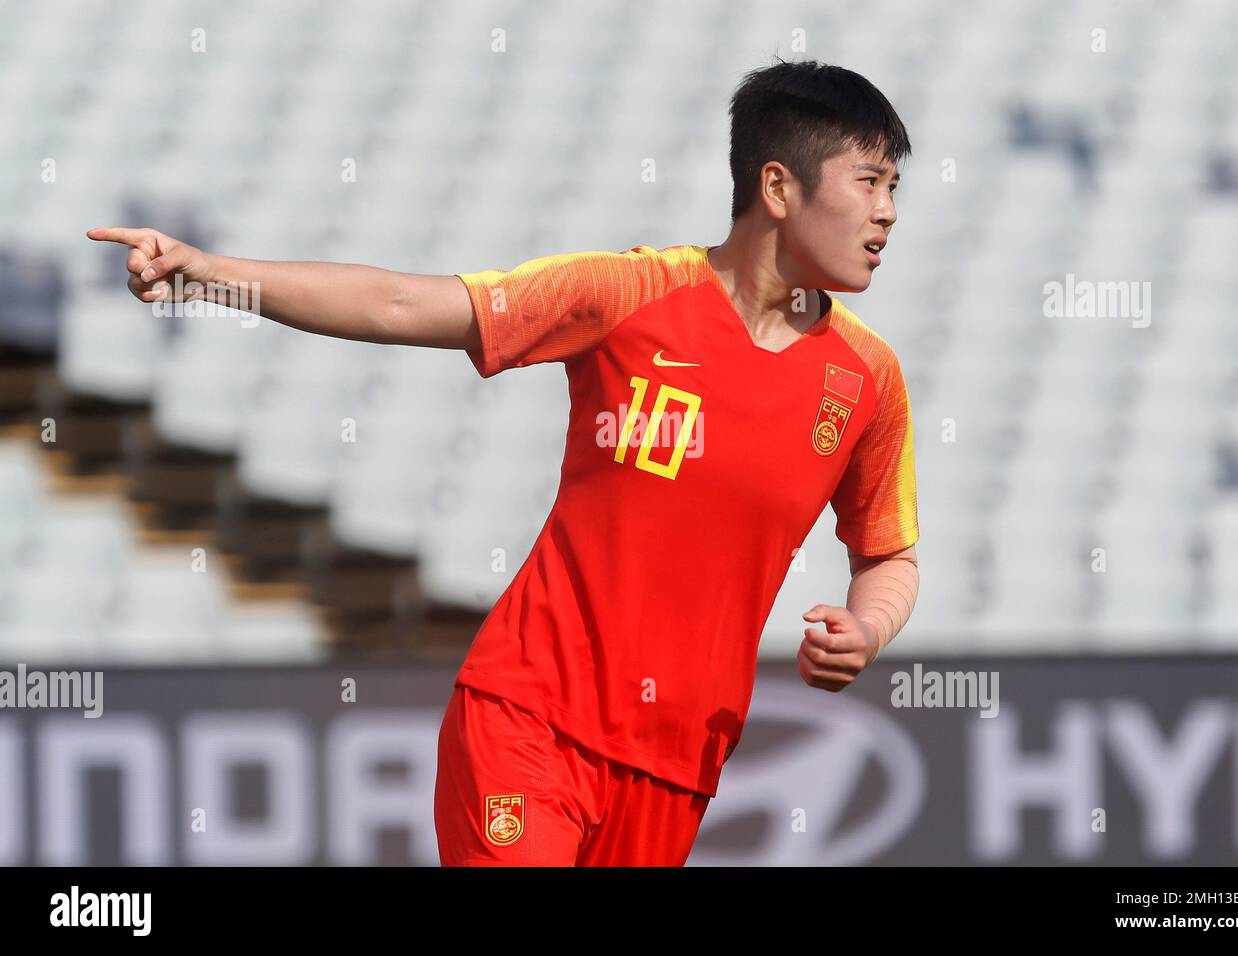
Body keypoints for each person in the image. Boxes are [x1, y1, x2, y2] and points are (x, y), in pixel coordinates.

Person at [88, 58, 921, 866]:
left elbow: (888, 555)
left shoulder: (867, 381)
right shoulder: (629, 294)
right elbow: (401, 302)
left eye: (894, 189)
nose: (887, 212)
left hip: (675, 767)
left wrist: (869, 626)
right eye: (869, 182)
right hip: (527, 716)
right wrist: (211, 277)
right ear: (778, 188)